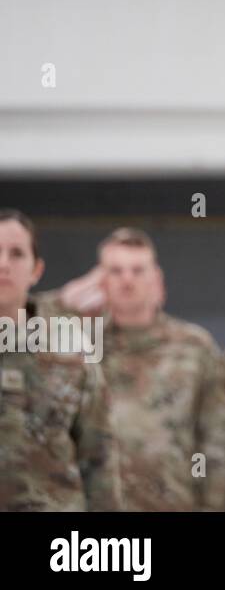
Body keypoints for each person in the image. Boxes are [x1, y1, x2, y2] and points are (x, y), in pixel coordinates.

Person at [60, 228, 225, 511]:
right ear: (100, 282)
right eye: (116, 271)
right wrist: (64, 305)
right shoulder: (77, 345)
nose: (127, 279)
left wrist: (212, 505)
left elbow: (217, 440)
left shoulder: (194, 347)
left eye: (137, 270)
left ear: (156, 279)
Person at [0, 209, 122, 511]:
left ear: (36, 270)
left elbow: (98, 456)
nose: (3, 264)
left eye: (16, 254)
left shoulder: (70, 347)